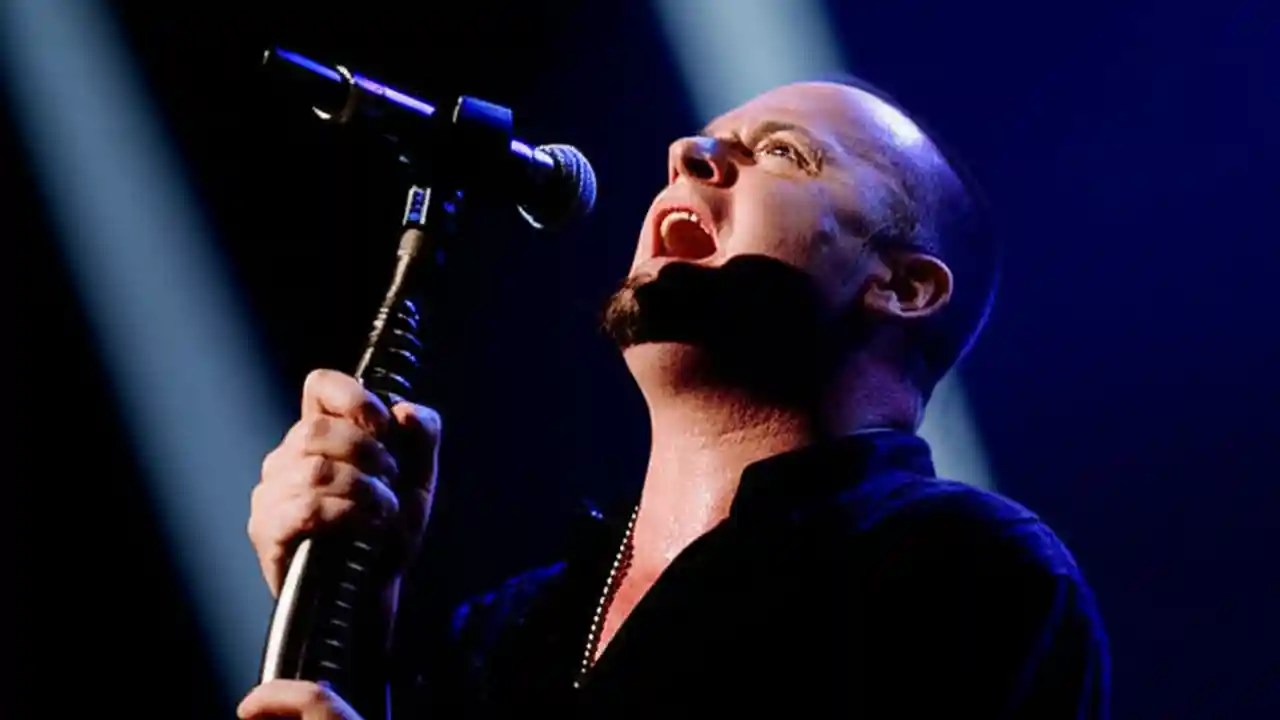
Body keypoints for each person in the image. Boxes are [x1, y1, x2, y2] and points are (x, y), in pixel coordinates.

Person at [238, 79, 1111, 719]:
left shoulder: (969, 572)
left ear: (907, 288)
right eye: (703, 141)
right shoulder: (514, 630)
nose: (688, 155)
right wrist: (349, 601)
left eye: (781, 152)